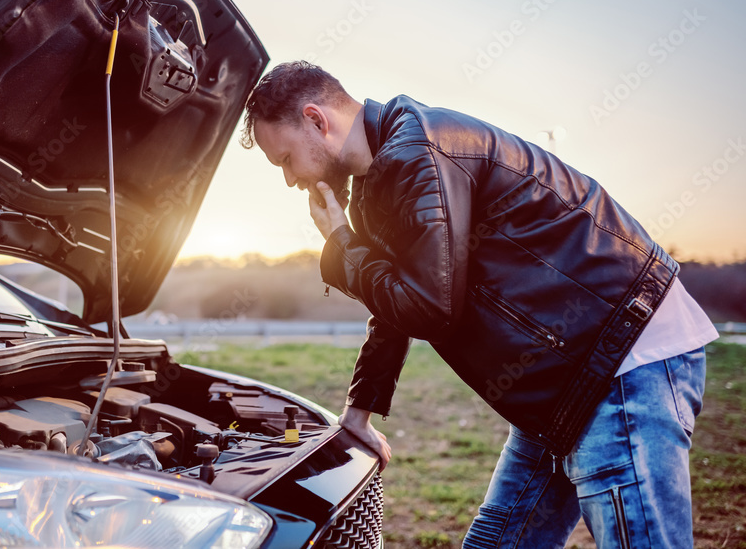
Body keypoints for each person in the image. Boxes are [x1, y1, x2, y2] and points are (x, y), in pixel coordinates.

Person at [241, 61, 718, 547]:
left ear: (316, 120)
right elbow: (394, 302)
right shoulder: (380, 177)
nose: (289, 180)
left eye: (284, 159)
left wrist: (342, 243)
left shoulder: (417, 153)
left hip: (621, 358)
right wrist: (358, 412)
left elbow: (428, 307)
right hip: (567, 380)